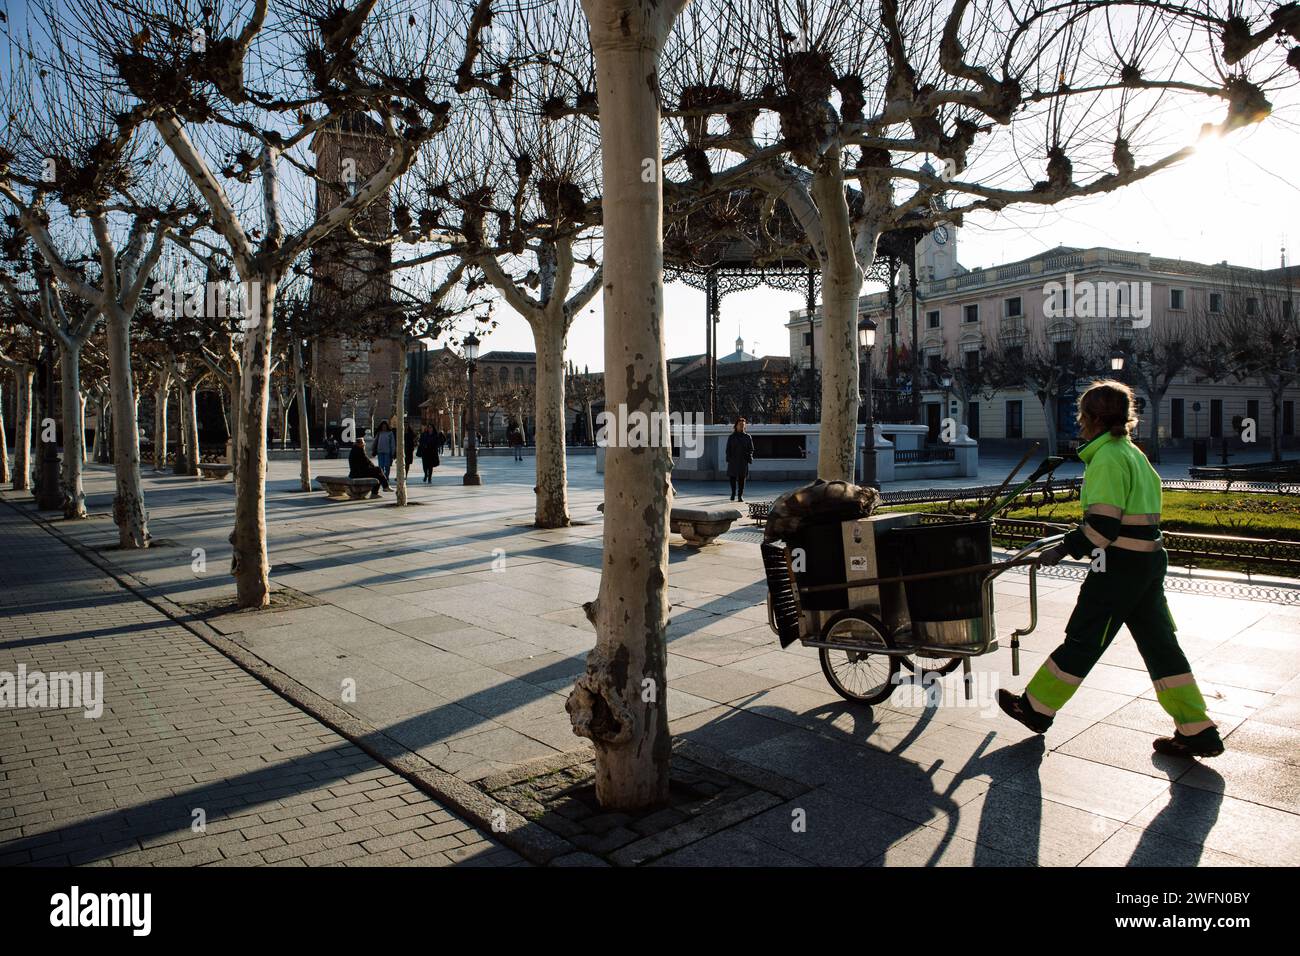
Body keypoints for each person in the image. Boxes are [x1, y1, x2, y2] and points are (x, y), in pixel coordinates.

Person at [998, 380, 1223, 758]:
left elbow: (1103, 527)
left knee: (1085, 638)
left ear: (1091, 418)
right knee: (1161, 647)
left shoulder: (1106, 458)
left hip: (1118, 567)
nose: (1079, 423)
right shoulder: (1133, 453)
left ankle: (1036, 708)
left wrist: (1062, 550)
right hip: (1148, 562)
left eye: (1081, 416)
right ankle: (1197, 729)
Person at [725, 417, 754, 502]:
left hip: (743, 461)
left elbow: (751, 449)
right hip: (733, 460)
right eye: (740, 424)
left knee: (742, 479)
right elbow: (728, 449)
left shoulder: (748, 437)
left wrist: (749, 456)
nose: (741, 426)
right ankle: (733, 493)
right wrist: (729, 458)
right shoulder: (731, 437)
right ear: (736, 426)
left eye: (743, 425)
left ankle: (740, 495)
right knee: (732, 478)